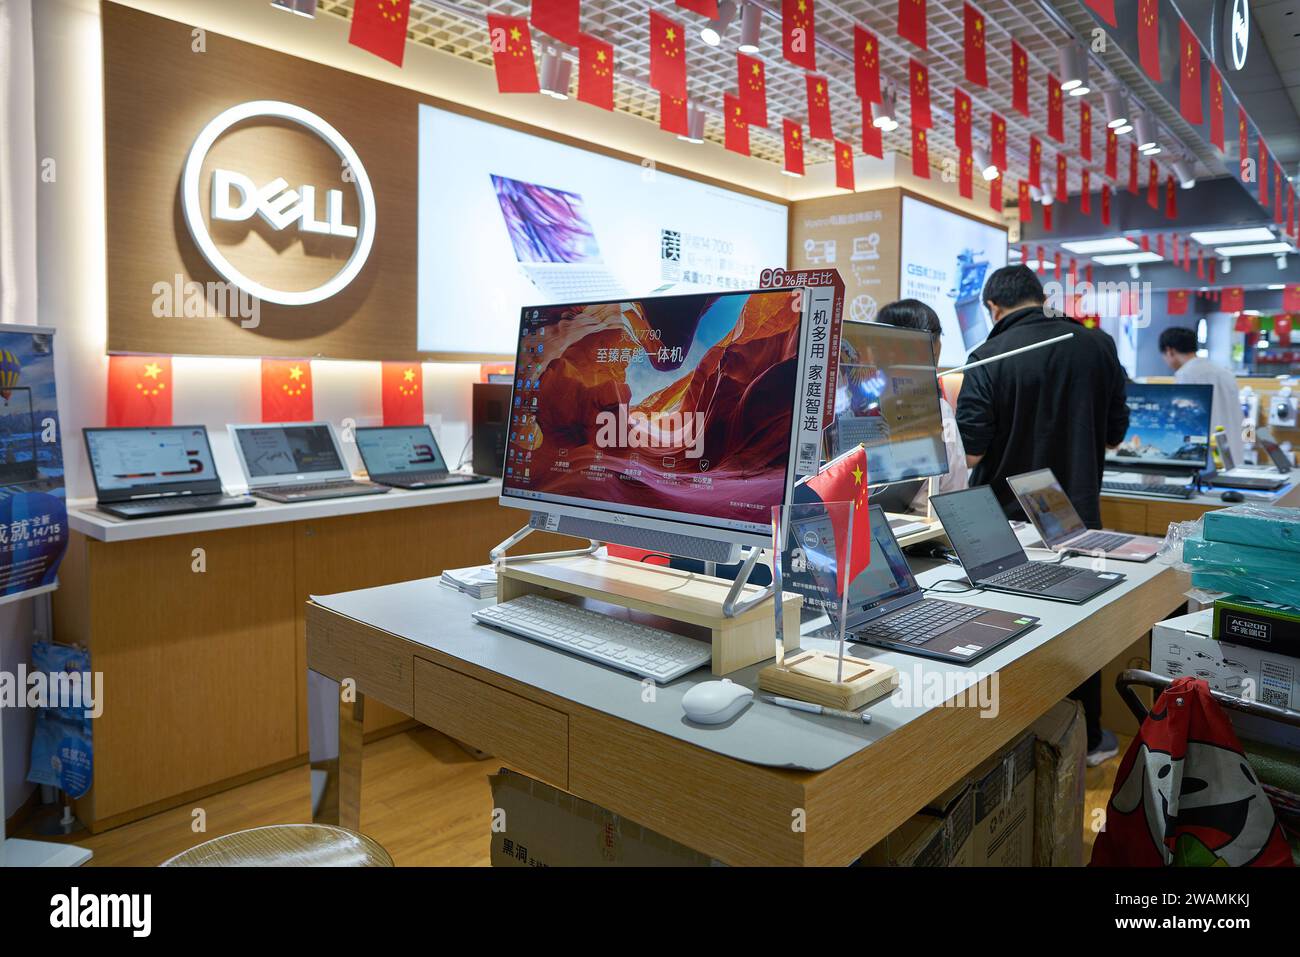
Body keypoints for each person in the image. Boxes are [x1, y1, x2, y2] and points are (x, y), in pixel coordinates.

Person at [955, 265, 1130, 766]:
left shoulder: (989, 356)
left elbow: (970, 452)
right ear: (1039, 296)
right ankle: (1090, 737)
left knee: (1009, 630)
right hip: (1075, 518)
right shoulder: (1097, 346)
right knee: (1081, 628)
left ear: (993, 308)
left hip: (1000, 522)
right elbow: (1115, 434)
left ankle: (1019, 749)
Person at [875, 299, 968, 512]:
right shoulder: (937, 409)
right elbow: (955, 486)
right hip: (928, 529)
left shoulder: (864, 405)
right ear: (930, 345)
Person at [1158, 326, 1244, 468]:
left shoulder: (1186, 374)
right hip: (1233, 452)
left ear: (1170, 351)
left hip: (1207, 457)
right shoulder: (1224, 372)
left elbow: (1184, 420)